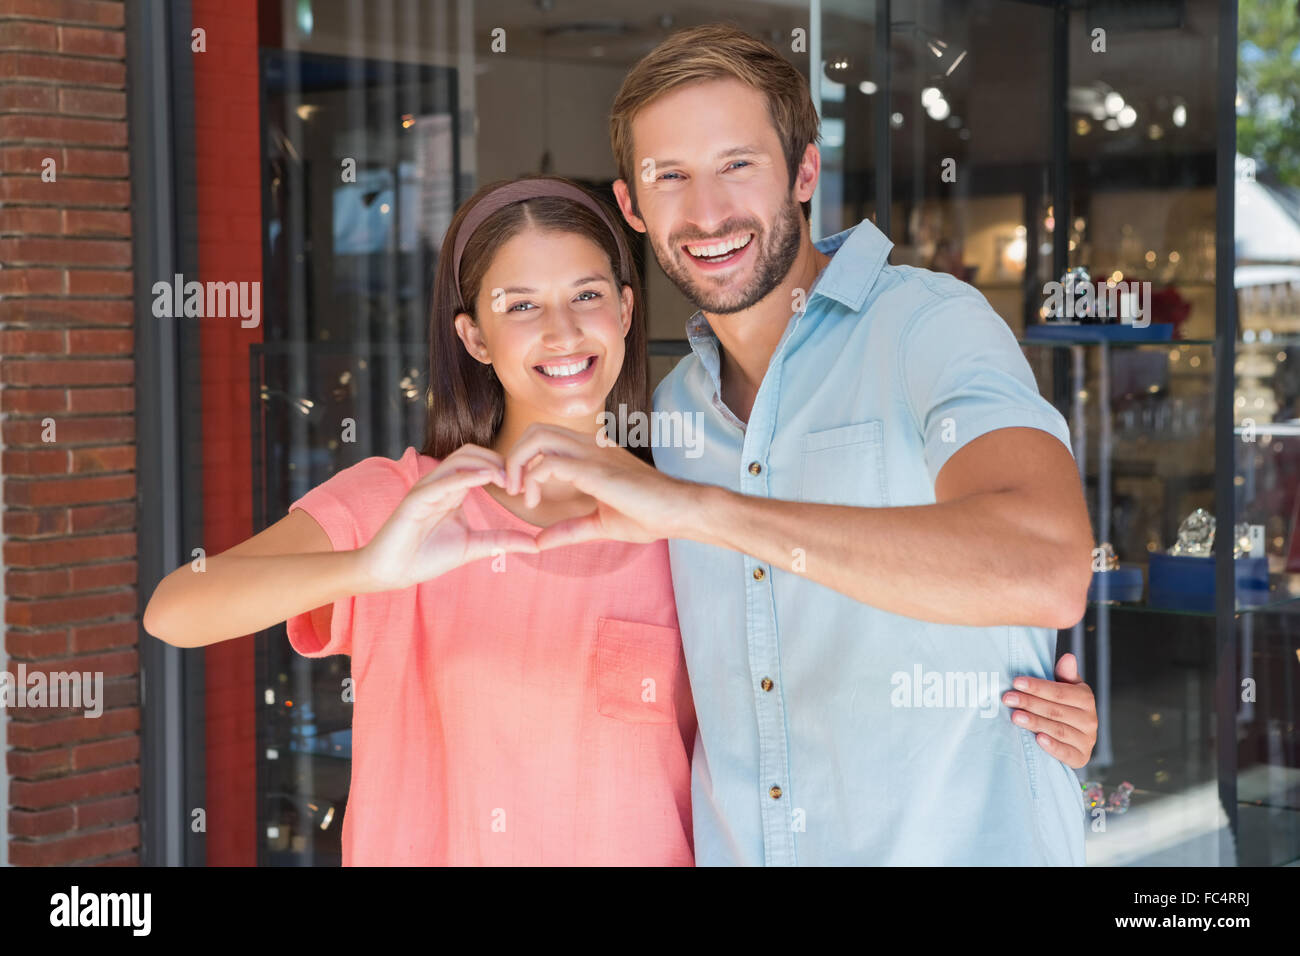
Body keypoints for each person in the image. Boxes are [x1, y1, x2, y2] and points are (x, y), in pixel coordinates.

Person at [498, 24, 1098, 865]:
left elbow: (1048, 566)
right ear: (632, 205)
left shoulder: (928, 327)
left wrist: (708, 511)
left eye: (737, 164)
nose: (706, 212)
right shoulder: (670, 415)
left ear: (805, 172)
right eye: (669, 176)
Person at [144, 177, 697, 865]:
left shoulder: (684, 514)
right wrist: (368, 568)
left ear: (625, 309)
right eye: (521, 305)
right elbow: (174, 610)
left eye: (587, 295)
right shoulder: (406, 502)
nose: (563, 331)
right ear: (475, 338)